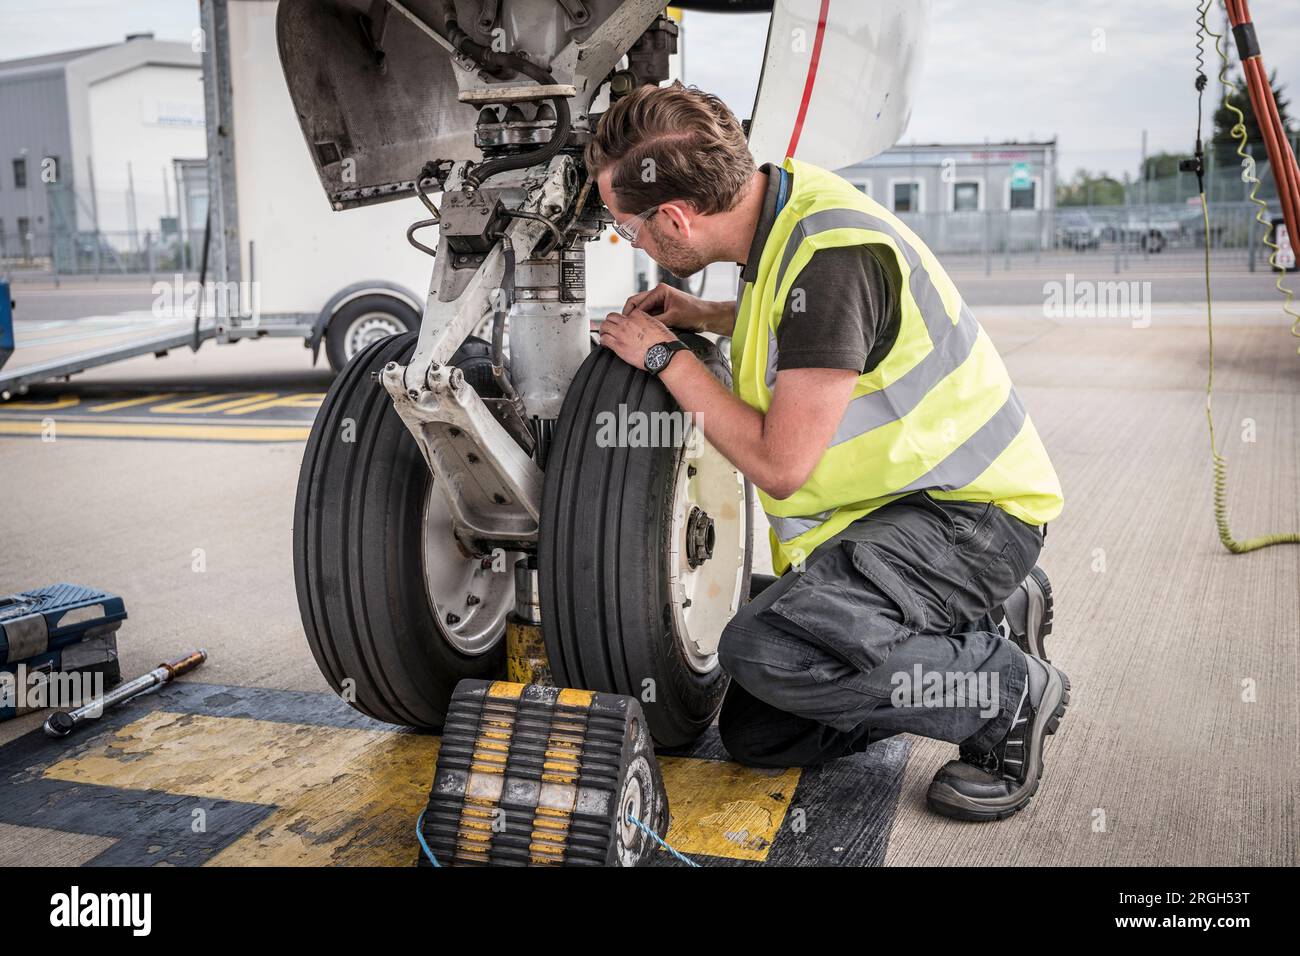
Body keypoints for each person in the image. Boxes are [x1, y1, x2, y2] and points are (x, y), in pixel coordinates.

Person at [587, 82, 1067, 821]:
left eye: (629, 228)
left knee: (772, 652)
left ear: (677, 216)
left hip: (966, 514)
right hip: (896, 518)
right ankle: (984, 613)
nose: (636, 243)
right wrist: (704, 314)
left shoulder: (832, 258)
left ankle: (1004, 692)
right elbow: (802, 325)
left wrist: (666, 361)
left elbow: (780, 464)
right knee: (762, 732)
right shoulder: (781, 208)